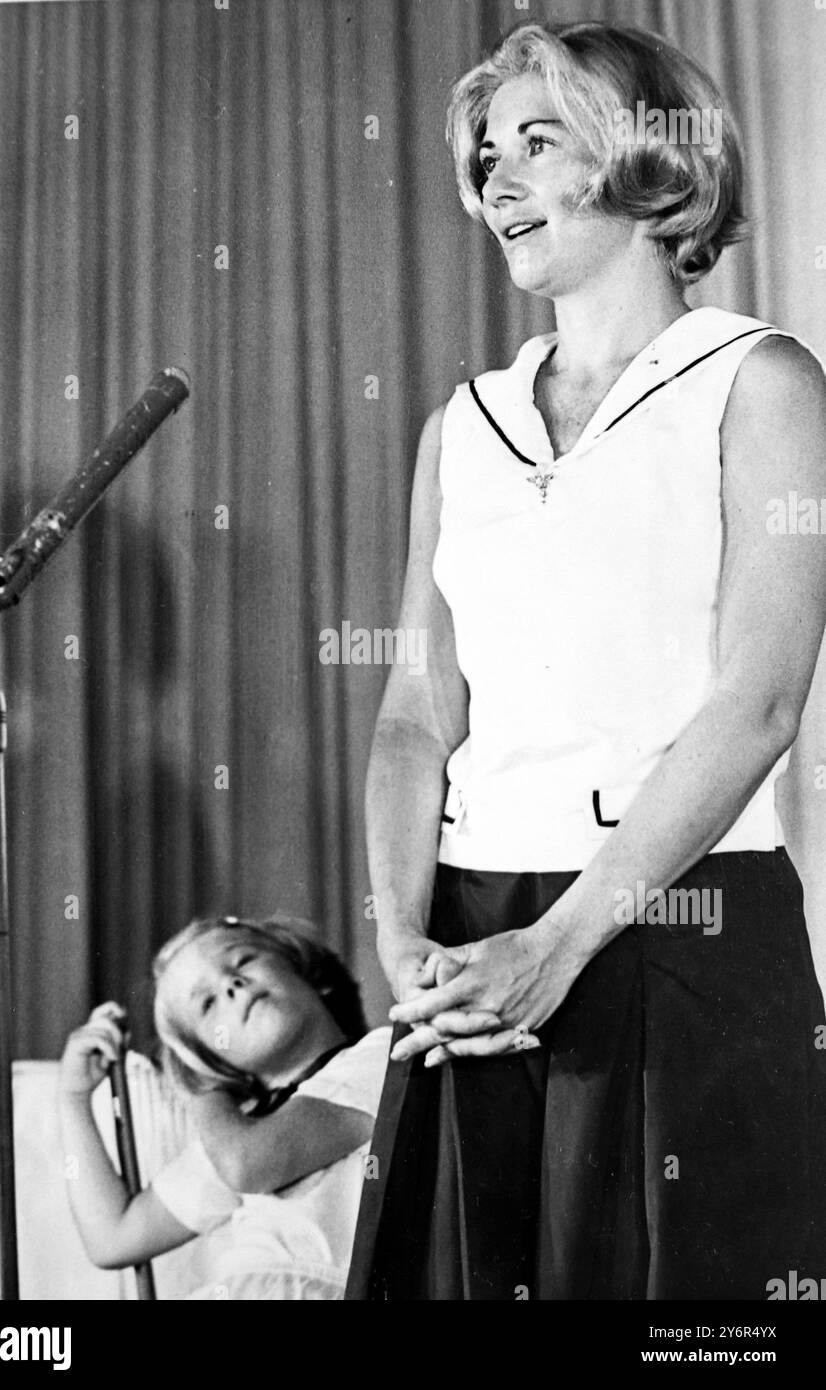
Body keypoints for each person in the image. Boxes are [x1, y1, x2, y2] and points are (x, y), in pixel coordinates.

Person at [345, 19, 826, 1301]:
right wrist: (406, 939)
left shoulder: (762, 383)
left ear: (650, 158)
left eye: (537, 143)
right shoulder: (464, 425)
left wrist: (557, 947)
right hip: (473, 945)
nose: (494, 180)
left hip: (679, 925)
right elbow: (415, 711)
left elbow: (761, 702)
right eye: (487, 154)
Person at [59, 914, 390, 1299]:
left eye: (243, 960)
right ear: (214, 1060)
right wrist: (73, 1097)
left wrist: (194, 1080)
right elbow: (113, 1238)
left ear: (305, 969)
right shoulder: (239, 1129)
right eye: (207, 1003)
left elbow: (246, 1165)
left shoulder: (380, 1056)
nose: (231, 985)